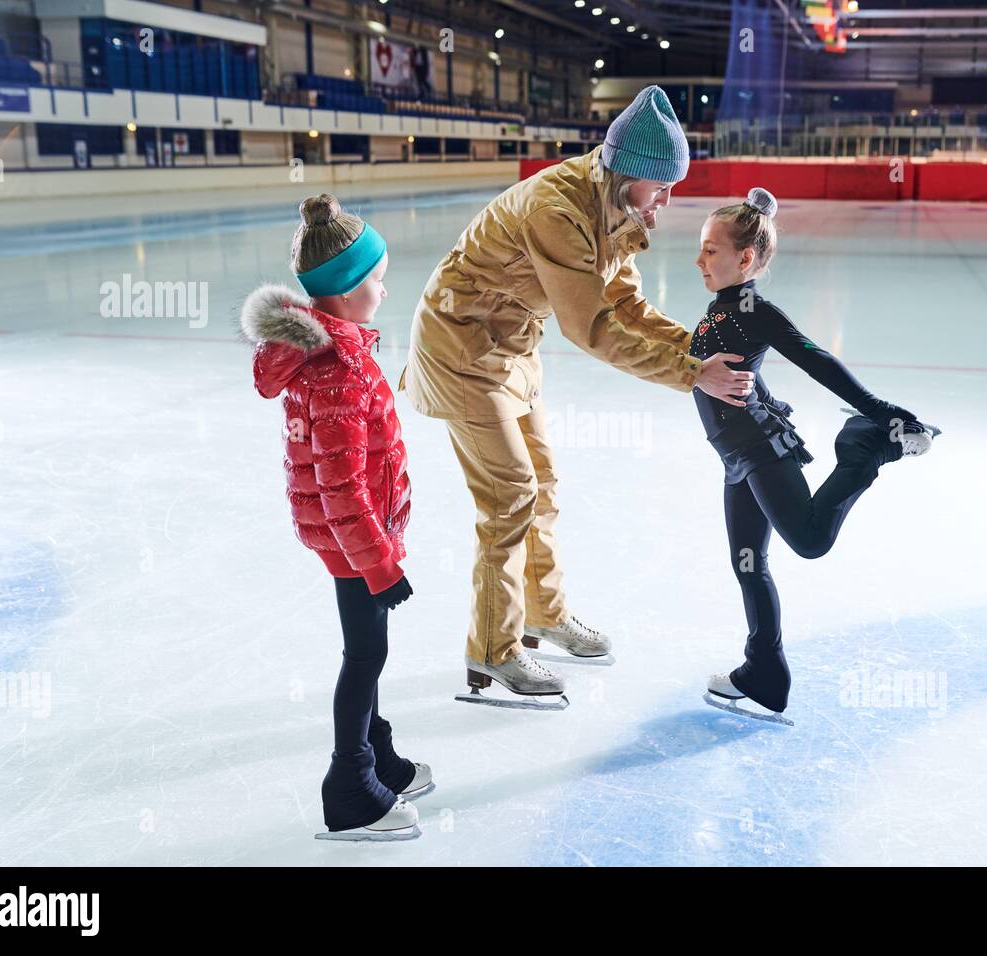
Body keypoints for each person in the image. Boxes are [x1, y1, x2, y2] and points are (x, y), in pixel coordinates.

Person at [400, 85, 754, 706]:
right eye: (662, 188)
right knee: (511, 495)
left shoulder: (612, 206)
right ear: (630, 175)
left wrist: (695, 348)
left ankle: (544, 614)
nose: (667, 202)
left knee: (543, 482)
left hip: (509, 346)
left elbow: (625, 304)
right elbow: (593, 327)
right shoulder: (557, 211)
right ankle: (491, 651)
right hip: (460, 349)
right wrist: (690, 374)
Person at [690, 187, 940, 721]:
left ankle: (865, 446)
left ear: (746, 258)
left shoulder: (754, 307)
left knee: (808, 540)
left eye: (711, 249)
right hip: (735, 455)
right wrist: (764, 395)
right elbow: (740, 369)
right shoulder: (722, 306)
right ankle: (764, 674)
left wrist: (881, 412)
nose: (699, 259)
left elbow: (814, 358)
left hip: (759, 449)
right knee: (748, 565)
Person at [240, 193, 432, 839]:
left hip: (355, 533)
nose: (384, 286)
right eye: (376, 278)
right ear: (347, 290)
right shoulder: (340, 368)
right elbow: (341, 485)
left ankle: (376, 755)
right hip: (354, 538)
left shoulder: (335, 348)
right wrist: (379, 565)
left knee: (369, 648)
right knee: (365, 653)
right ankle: (349, 785)